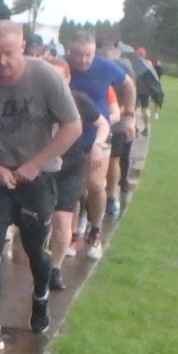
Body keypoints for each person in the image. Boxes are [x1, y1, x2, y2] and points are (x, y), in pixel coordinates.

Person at [0, 20, 82, 354]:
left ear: (22, 47)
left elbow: (73, 126)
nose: (1, 63)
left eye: (8, 54)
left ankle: (40, 296)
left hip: (35, 179)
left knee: (35, 249)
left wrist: (35, 164)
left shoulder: (46, 78)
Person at [42, 55, 103, 290]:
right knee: (38, 220)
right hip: (42, 167)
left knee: (61, 219)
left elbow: (102, 123)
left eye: (59, 78)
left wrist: (97, 144)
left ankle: (55, 269)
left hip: (71, 167)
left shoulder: (80, 100)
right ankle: (41, 261)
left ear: (68, 79)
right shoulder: (33, 100)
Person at [67, 32, 136, 224]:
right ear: (70, 52)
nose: (83, 60)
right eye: (78, 55)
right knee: (74, 188)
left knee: (96, 184)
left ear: (94, 51)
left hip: (99, 132)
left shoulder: (105, 67)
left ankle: (95, 228)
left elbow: (128, 85)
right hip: (69, 136)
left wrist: (129, 116)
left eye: (88, 55)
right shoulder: (62, 66)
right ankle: (73, 228)